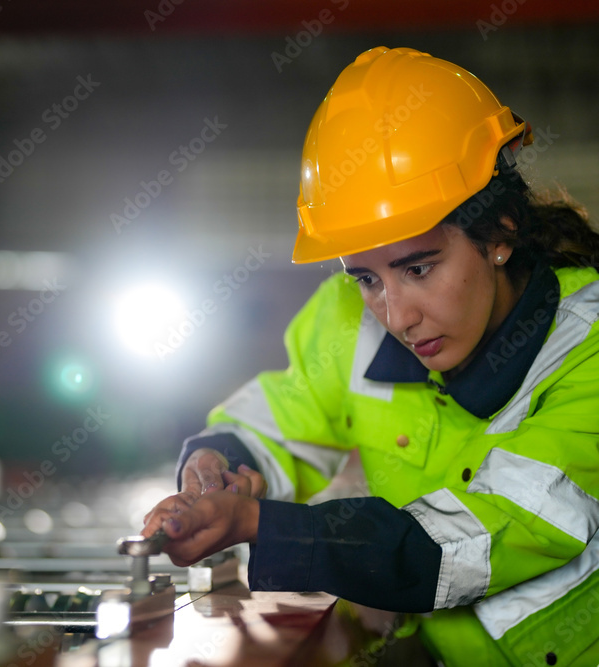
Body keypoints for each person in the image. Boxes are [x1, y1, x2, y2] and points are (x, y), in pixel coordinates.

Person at [141, 46, 599, 666]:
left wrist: (258, 523)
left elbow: (465, 543)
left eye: (417, 267)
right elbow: (282, 416)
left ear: (501, 232)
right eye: (366, 277)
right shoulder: (346, 319)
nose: (396, 315)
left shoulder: (586, 351)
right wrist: (219, 467)